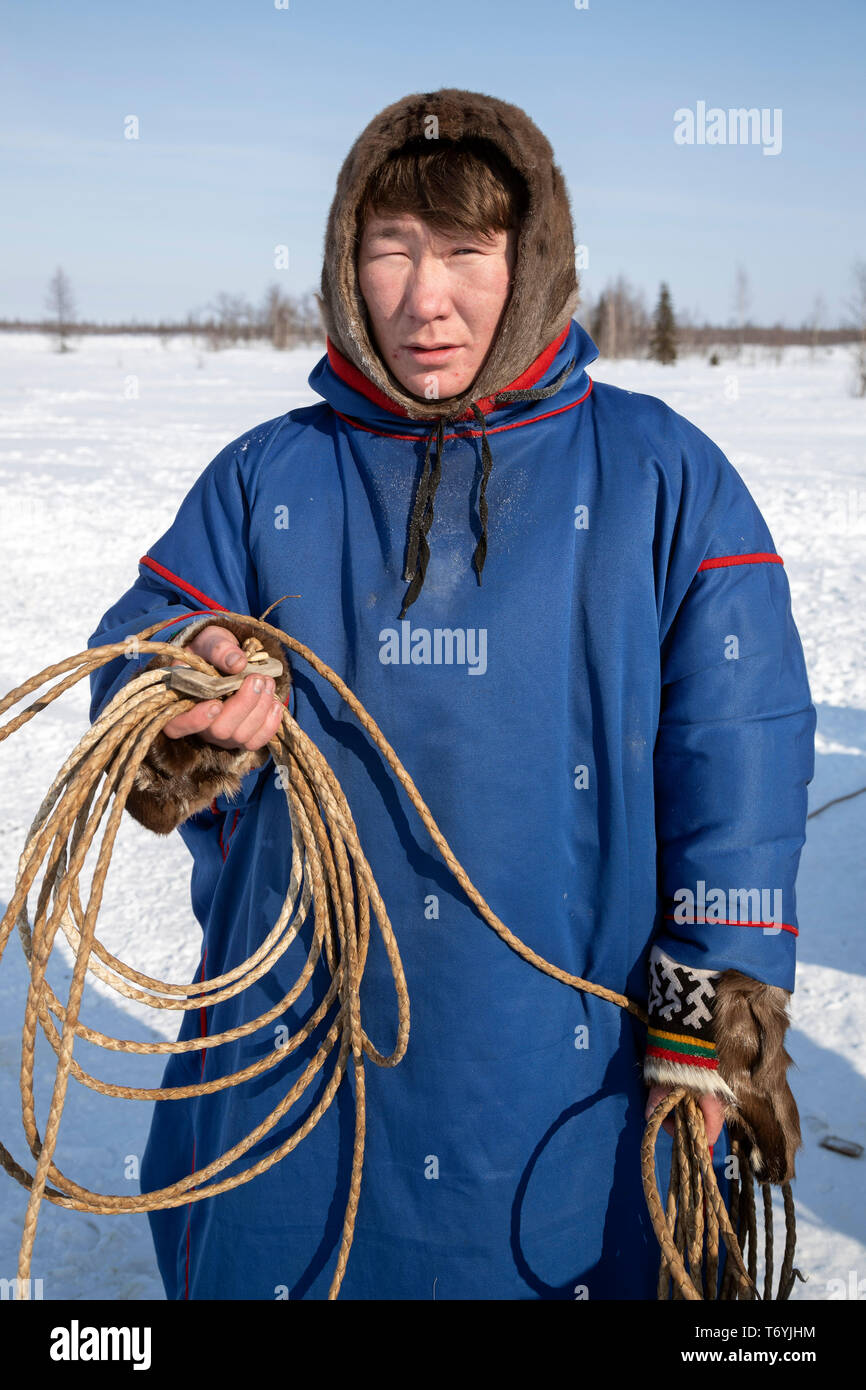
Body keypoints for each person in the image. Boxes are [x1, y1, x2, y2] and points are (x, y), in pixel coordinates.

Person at [87, 88, 816, 1300]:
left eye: (467, 252)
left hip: (568, 1054)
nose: (427, 299)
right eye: (392, 250)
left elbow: (735, 746)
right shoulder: (270, 474)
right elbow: (133, 652)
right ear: (345, 263)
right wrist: (181, 682)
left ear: (527, 261)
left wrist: (714, 1012)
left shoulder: (663, 476)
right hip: (297, 1043)